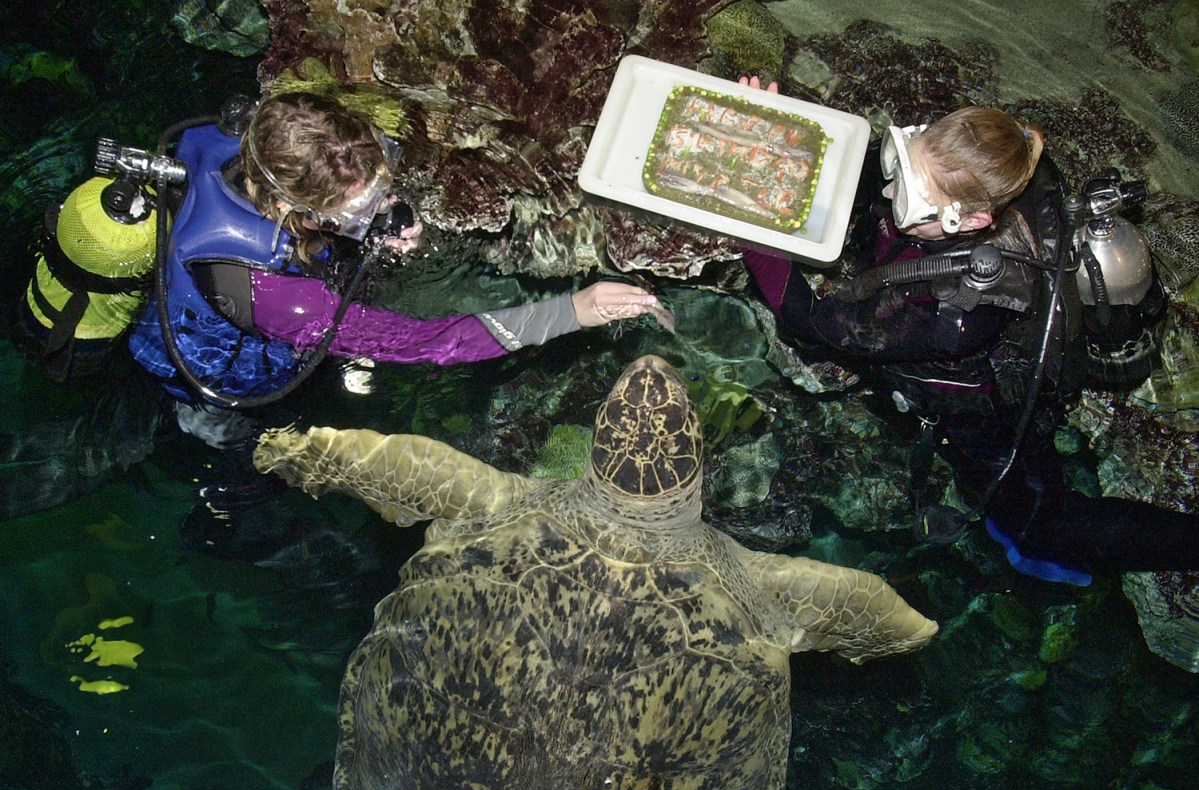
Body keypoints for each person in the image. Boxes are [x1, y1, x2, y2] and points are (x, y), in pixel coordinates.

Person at [739, 77, 1198, 582]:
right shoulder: (985, 167)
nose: (890, 190)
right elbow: (860, 170)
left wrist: (747, 218)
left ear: (975, 220)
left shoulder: (958, 312)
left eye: (908, 197)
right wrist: (775, 133)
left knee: (1036, 524)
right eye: (899, 164)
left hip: (988, 410)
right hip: (949, 299)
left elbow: (808, 319)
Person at [126, 91, 671, 424]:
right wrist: (571, 311)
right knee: (262, 440)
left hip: (283, 260)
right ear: (294, 207)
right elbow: (427, 344)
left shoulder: (265, 142)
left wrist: (381, 214)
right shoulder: (279, 300)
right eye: (357, 209)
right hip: (227, 366)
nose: (379, 207)